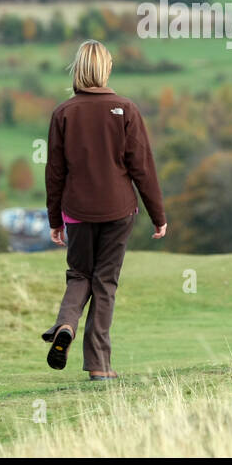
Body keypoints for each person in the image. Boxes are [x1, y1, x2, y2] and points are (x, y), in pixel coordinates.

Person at [41, 40, 167, 381]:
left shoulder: (63, 113)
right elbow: (142, 167)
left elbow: (55, 172)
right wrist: (158, 215)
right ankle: (98, 365)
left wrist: (55, 220)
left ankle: (65, 324)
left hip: (77, 211)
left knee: (79, 274)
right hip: (118, 210)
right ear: (106, 69)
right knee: (105, 282)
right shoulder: (126, 109)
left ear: (78, 70)